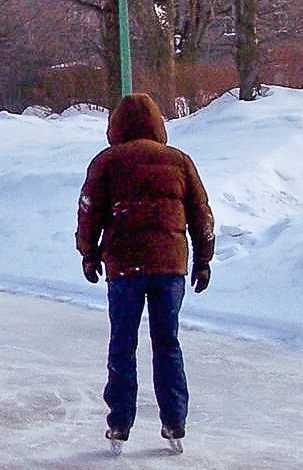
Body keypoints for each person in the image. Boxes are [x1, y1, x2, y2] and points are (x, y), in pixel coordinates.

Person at [75, 93, 214, 454]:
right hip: (169, 266)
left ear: (116, 126)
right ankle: (174, 422)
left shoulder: (107, 162)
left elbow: (89, 211)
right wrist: (203, 259)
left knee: (123, 343)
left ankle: (120, 423)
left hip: (125, 266)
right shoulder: (180, 162)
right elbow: (201, 213)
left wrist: (89, 253)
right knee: (167, 342)